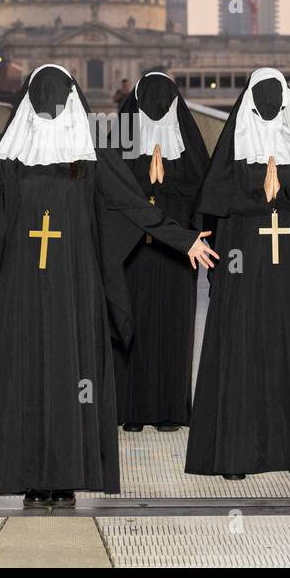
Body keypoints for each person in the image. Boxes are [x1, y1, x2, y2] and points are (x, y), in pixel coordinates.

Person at [0, 64, 217, 509]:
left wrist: (185, 238)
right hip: (22, 287)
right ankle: (32, 479)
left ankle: (64, 478)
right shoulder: (9, 159)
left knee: (69, 380)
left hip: (75, 287)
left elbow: (135, 206)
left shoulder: (90, 160)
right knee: (26, 379)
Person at [185, 68, 290, 481]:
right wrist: (260, 199)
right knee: (245, 345)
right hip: (246, 263)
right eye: (261, 96)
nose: (269, 104)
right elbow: (212, 198)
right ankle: (239, 453)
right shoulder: (235, 143)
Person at [113, 71, 210, 431]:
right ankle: (131, 409)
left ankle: (170, 408)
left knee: (173, 326)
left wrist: (164, 176)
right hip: (131, 248)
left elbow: (202, 190)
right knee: (130, 323)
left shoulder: (187, 142)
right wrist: (147, 174)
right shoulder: (120, 140)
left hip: (176, 250)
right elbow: (109, 189)